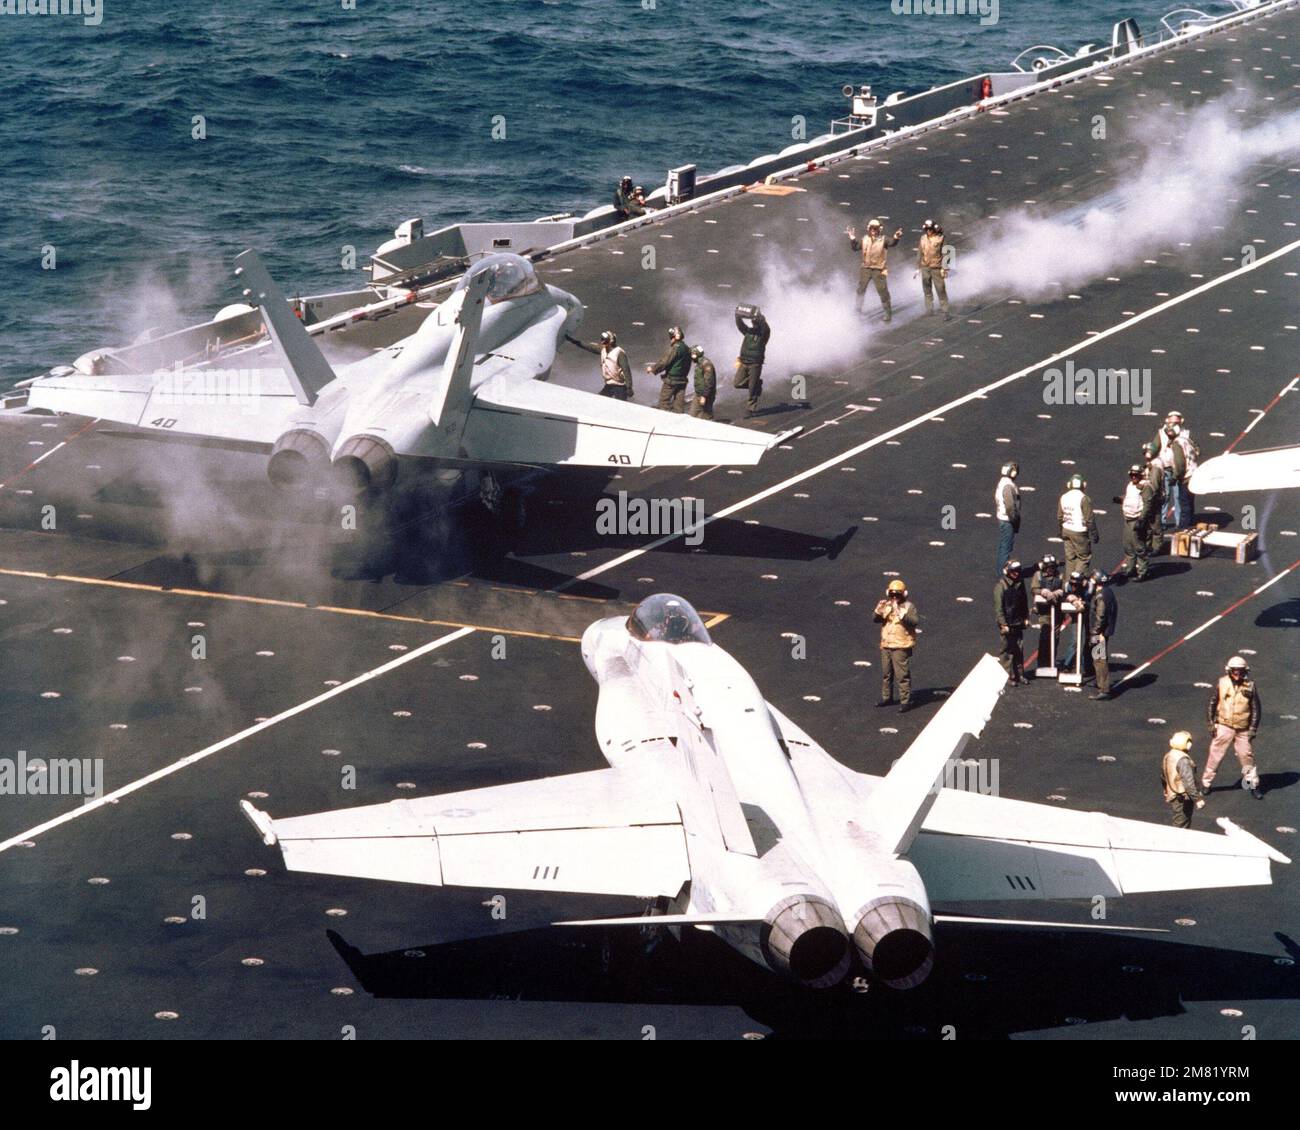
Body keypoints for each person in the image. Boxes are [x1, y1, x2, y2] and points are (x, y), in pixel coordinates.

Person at [1203, 656, 1262, 798]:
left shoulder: (1250, 686)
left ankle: (1251, 784)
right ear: (1229, 671)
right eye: (1235, 670)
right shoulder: (1222, 683)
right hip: (1224, 726)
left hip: (1243, 729)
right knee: (1214, 756)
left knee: (1246, 757)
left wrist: (1253, 728)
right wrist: (1211, 723)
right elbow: (1212, 703)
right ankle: (1206, 784)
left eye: (1240, 671)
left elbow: (1256, 709)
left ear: (1245, 671)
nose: (1237, 673)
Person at [874, 578, 919, 714]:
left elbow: (914, 622)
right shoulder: (887, 605)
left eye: (897, 594)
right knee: (886, 674)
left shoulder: (909, 607)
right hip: (886, 644)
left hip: (900, 645)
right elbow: (875, 619)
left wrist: (900, 613)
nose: (894, 597)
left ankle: (905, 701)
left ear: (903, 594)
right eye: (892, 594)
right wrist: (878, 610)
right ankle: (887, 697)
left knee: (902, 675)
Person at [847, 219, 903, 320]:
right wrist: (852, 238)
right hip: (866, 268)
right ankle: (857, 311)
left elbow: (892, 243)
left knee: (883, 291)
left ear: (879, 229)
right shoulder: (864, 239)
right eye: (872, 228)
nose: (873, 230)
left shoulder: (884, 239)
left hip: (878, 269)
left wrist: (896, 237)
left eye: (875, 228)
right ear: (869, 229)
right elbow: (855, 248)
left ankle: (887, 312)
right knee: (861, 290)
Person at [1114, 462, 1156, 581]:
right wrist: (1120, 499)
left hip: (1137, 520)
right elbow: (1130, 499)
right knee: (1128, 546)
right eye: (1132, 475)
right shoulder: (1130, 485)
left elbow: (1147, 505)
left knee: (1139, 547)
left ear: (1141, 475)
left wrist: (1141, 520)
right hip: (1127, 519)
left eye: (1136, 475)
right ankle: (1130, 569)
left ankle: (1143, 571)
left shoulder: (1145, 487)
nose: (1133, 477)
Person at [567, 330, 633, 400]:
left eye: (605, 341)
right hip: (609, 384)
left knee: (621, 406)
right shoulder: (603, 350)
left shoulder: (619, 353)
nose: (602, 342)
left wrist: (629, 387)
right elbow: (589, 347)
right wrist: (575, 342)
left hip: (620, 386)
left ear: (611, 341)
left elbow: (626, 370)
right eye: (602, 340)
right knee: (599, 401)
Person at [993, 560, 1029, 685]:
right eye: (1013, 571)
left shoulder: (1020, 583)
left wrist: (1025, 617)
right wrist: (1003, 624)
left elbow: (1024, 601)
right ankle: (1006, 676)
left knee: (1019, 648)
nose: (1016, 573)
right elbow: (999, 608)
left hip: (1018, 621)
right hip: (1007, 623)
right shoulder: (1001, 586)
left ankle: (1020, 674)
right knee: (1006, 650)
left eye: (1017, 571)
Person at [1057, 473, 1099, 578]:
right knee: (1083, 558)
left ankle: (1068, 584)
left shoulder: (1064, 497)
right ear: (1083, 485)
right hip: (1079, 532)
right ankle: (1078, 582)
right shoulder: (1084, 498)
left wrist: (1061, 530)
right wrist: (1094, 533)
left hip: (1066, 530)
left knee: (1070, 558)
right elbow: (1089, 519)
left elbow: (1059, 516)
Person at [1162, 731, 1206, 829]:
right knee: (1182, 823)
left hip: (1173, 793)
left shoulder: (1169, 755)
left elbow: (1163, 775)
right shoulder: (1183, 760)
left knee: (1179, 819)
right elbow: (1188, 783)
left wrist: (1166, 790)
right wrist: (1197, 799)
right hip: (1182, 797)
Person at [733, 305, 770, 415]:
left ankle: (750, 408)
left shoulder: (763, 335)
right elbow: (740, 326)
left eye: (755, 322)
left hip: (755, 363)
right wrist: (737, 316)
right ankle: (757, 384)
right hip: (744, 362)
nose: (753, 324)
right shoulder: (748, 332)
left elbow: (765, 328)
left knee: (752, 388)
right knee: (737, 383)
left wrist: (759, 317)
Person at [645, 326, 691, 413]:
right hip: (682, 381)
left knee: (664, 403)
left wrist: (652, 368)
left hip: (671, 381)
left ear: (673, 337)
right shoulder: (687, 348)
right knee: (679, 407)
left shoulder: (675, 348)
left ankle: (664, 423)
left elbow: (665, 362)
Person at [1031, 554, 1065, 670]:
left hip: (1057, 611)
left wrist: (1059, 592)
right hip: (1044, 611)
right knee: (1045, 635)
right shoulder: (1038, 575)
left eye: (1053, 567)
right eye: (1048, 568)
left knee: (1055, 637)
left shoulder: (1060, 576)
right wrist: (1043, 592)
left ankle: (1051, 661)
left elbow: (1065, 588)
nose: (1051, 570)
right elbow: (1034, 589)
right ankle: (1042, 663)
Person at [1087, 570, 1117, 700]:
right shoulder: (1108, 592)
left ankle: (1104, 689)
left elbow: (1101, 616)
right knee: (1098, 657)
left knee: (1099, 659)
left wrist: (1095, 632)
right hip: (1104, 631)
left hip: (1099, 632)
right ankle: (1100, 682)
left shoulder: (1100, 596)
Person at [1057, 570, 1089, 674]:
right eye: (1072, 584)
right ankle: (1068, 664)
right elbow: (1064, 598)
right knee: (1076, 640)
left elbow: (1090, 601)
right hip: (1076, 615)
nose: (1074, 587)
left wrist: (1083, 602)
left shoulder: (1088, 587)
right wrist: (1071, 599)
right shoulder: (1067, 586)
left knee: (1090, 641)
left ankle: (1087, 666)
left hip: (1090, 616)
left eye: (1076, 584)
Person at [917, 219, 950, 319]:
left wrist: (945, 268)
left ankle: (945, 312)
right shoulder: (923, 238)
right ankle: (929, 310)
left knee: (941, 290)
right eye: (927, 229)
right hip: (925, 267)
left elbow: (947, 253)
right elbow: (919, 253)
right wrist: (917, 267)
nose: (928, 231)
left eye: (930, 229)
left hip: (937, 268)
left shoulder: (941, 238)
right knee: (927, 290)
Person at [1141, 441, 1168, 561]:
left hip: (1154, 497)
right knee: (1149, 521)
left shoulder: (1155, 466)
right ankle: (1149, 544)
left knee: (1155, 522)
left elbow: (1154, 485)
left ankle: (1156, 546)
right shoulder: (1152, 463)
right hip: (1152, 496)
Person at [994, 461, 1021, 576]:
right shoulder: (1008, 485)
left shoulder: (1002, 482)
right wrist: (1014, 520)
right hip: (1007, 520)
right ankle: (1002, 573)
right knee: (1006, 547)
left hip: (1002, 517)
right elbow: (1010, 506)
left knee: (1003, 546)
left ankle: (1000, 570)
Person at [688, 345, 716, 420]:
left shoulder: (706, 364)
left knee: (706, 417)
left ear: (696, 354)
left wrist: (704, 396)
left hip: (706, 395)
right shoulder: (699, 363)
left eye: (692, 354)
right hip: (699, 394)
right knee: (693, 415)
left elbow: (709, 382)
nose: (691, 356)